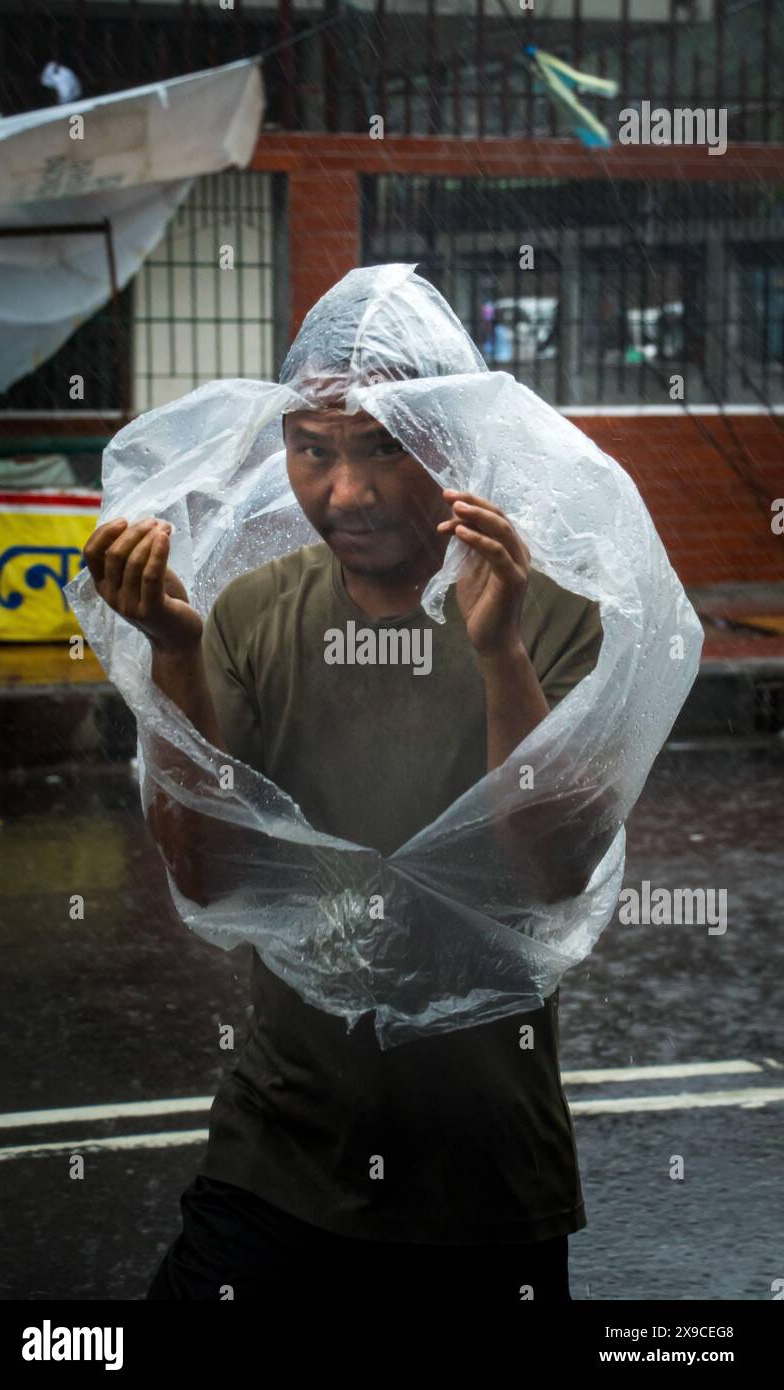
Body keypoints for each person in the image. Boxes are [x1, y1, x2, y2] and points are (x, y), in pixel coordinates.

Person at [83, 293, 605, 1303]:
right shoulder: (247, 614)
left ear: (451, 443)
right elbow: (208, 868)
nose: (346, 491)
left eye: (383, 449)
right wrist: (175, 659)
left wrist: (496, 652)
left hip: (488, 1180)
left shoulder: (547, 613)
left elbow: (552, 869)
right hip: (274, 1157)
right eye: (311, 448)